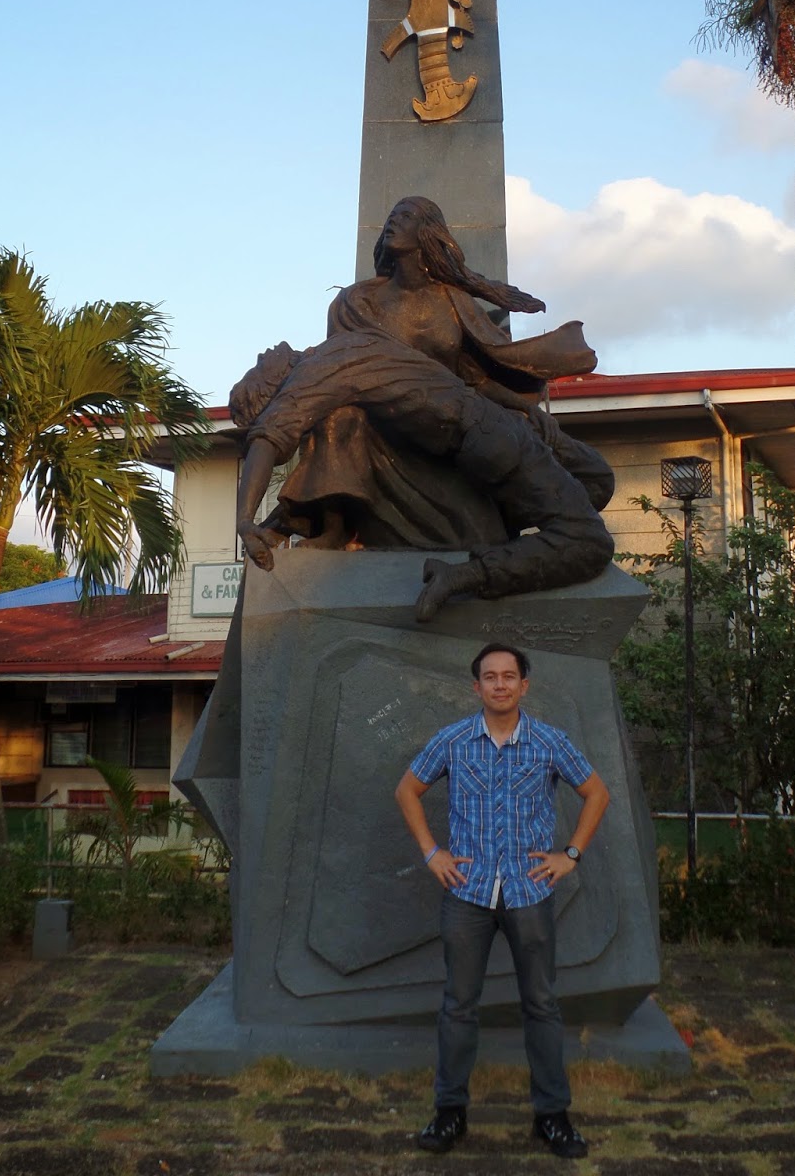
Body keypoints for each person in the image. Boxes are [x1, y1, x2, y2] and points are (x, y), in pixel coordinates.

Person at [264, 196, 609, 553]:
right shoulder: (356, 301)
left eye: (406, 215)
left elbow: (474, 379)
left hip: (445, 422)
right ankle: (336, 527)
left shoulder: (452, 300)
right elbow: (334, 368)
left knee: (594, 474)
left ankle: (543, 535)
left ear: (427, 232)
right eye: (391, 216)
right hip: (379, 421)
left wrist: (528, 410)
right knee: (340, 414)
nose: (393, 222)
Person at [229, 331, 614, 620]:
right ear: (272, 391)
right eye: (256, 372)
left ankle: (499, 534)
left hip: (495, 429)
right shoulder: (316, 372)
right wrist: (247, 521)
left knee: (598, 480)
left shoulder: (341, 348)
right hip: (487, 438)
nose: (263, 354)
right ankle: (464, 576)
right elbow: (269, 436)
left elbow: (447, 374)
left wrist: (527, 412)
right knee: (590, 542)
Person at [395, 645, 610, 1157]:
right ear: (476, 687)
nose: (499, 685)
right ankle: (450, 1114)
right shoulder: (453, 741)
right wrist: (432, 854)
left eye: (508, 677)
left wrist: (570, 855)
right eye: (489, 677)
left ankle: (552, 1116)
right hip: (467, 894)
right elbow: (407, 790)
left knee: (540, 1004)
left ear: (523, 686)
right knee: (458, 1006)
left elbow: (597, 792)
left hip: (529, 892)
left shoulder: (548, 742)